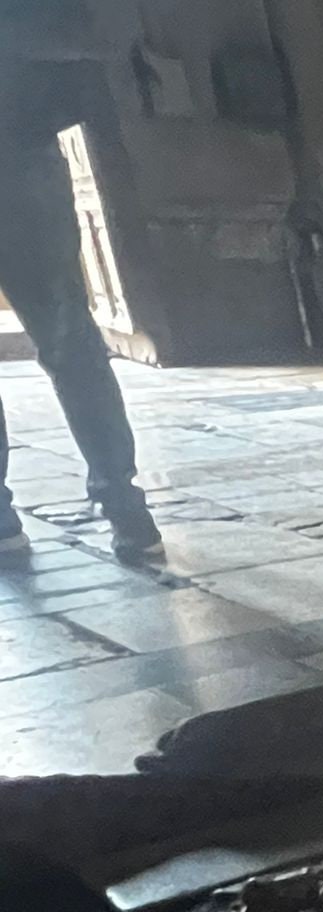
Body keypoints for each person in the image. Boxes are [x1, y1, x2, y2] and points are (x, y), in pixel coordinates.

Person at [0, 7, 162, 561]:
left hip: (20, 166)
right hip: (24, 163)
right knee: (72, 342)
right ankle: (123, 504)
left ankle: (121, 502)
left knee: (71, 339)